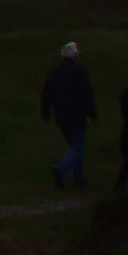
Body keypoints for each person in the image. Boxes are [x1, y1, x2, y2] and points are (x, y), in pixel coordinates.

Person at [41, 40, 97, 189]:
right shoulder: (80, 71)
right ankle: (60, 169)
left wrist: (46, 114)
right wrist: (92, 114)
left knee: (74, 147)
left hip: (61, 116)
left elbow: (46, 94)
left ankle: (78, 178)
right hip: (77, 115)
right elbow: (87, 94)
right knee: (78, 148)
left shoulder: (55, 72)